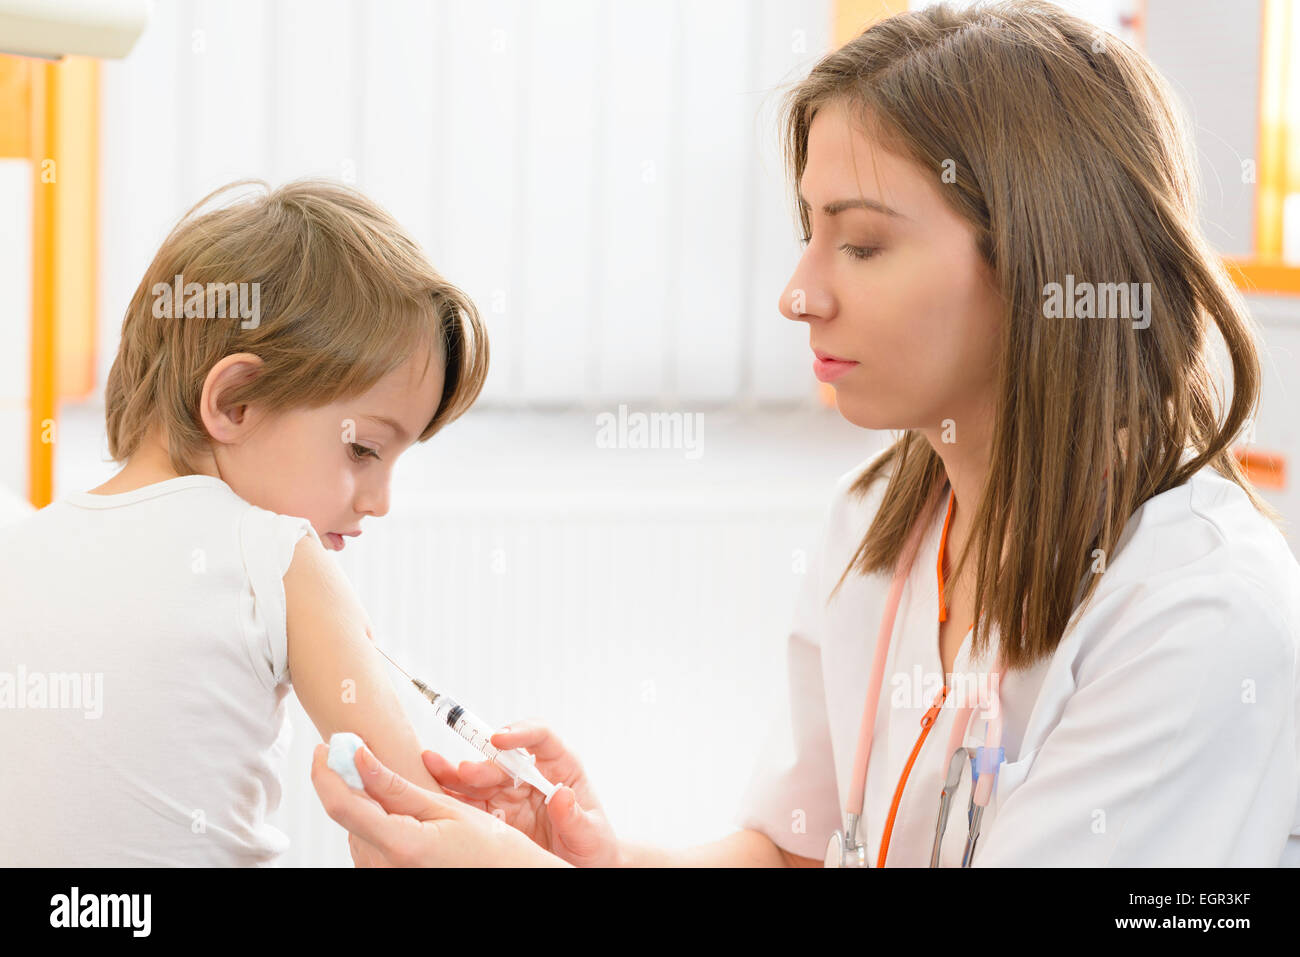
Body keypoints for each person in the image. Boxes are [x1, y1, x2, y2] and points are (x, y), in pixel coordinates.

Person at [312, 0, 1300, 866]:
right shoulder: (878, 523)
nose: (798, 295)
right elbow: (793, 854)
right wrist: (604, 864)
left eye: (862, 244)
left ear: (1044, 266)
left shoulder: (1196, 613)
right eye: (807, 234)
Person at [0, 179, 488, 865]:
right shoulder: (277, 558)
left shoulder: (19, 548)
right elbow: (416, 836)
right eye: (364, 450)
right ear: (235, 401)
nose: (379, 500)